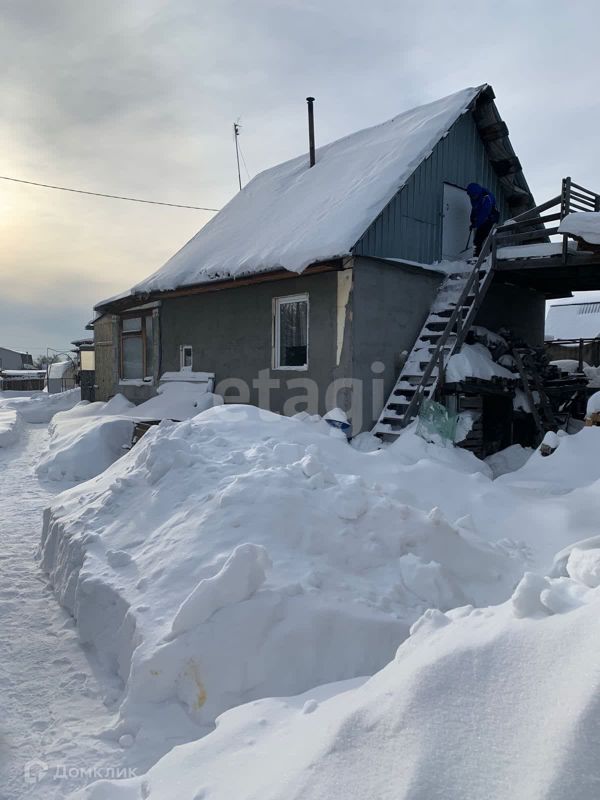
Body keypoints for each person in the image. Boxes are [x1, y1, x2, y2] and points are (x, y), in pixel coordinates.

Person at [466, 183, 500, 256]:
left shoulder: (487, 197)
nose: (472, 197)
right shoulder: (474, 198)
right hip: (484, 218)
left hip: (492, 217)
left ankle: (493, 256)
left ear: (477, 193)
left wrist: (476, 223)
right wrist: (472, 220)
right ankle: (476, 256)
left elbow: (484, 213)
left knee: (490, 235)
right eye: (471, 196)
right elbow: (475, 209)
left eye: (473, 195)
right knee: (478, 238)